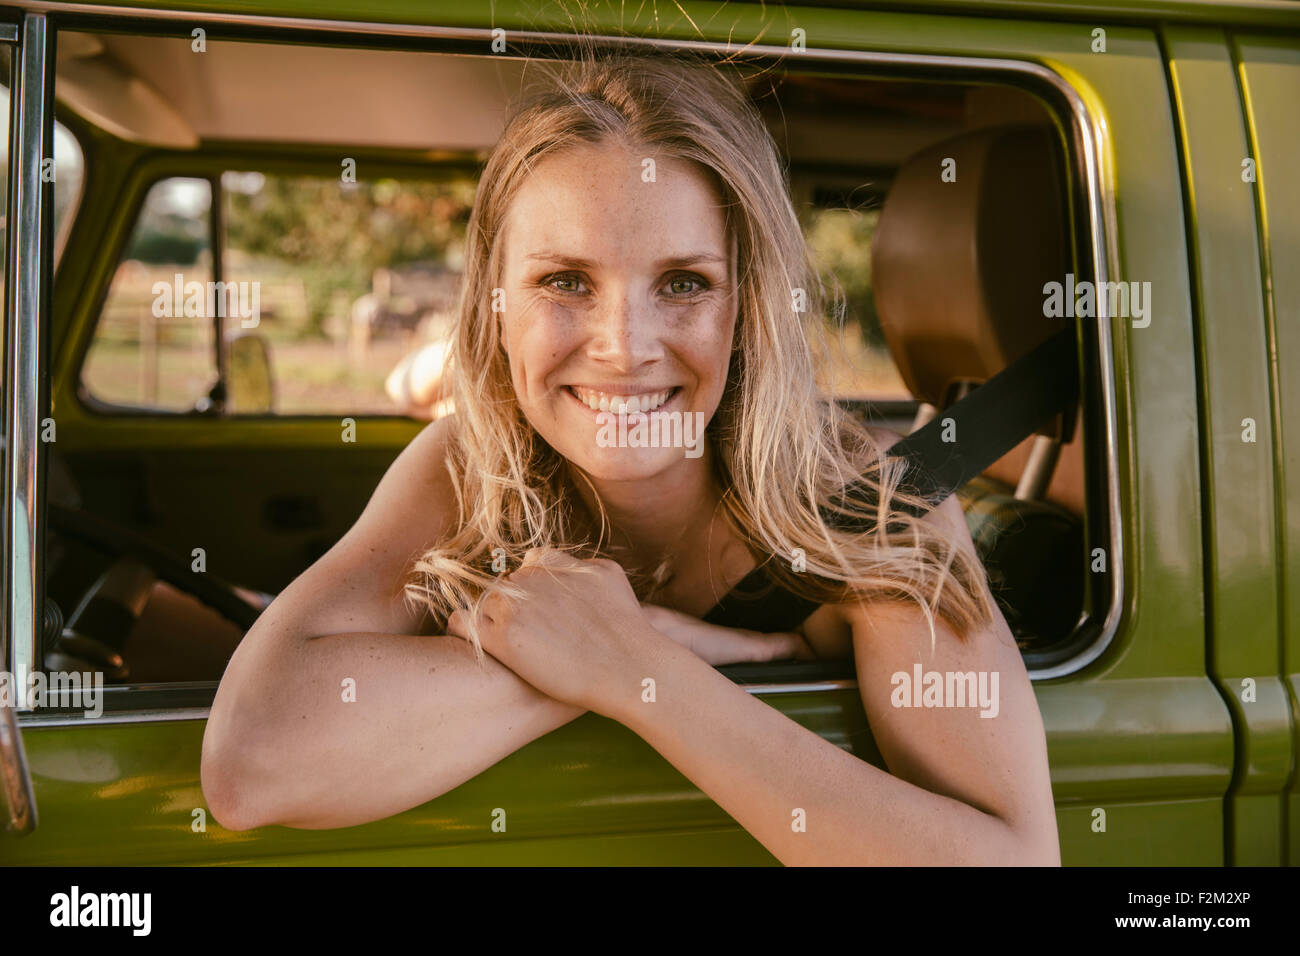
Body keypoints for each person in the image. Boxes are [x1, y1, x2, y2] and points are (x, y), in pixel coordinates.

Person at [201, 51, 1060, 865]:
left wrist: (632, 667)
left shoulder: (868, 500)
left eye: (684, 283)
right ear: (495, 307)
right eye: (565, 282)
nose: (623, 348)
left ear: (746, 308)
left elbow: (1017, 864)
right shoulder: (469, 461)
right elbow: (251, 764)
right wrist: (642, 651)